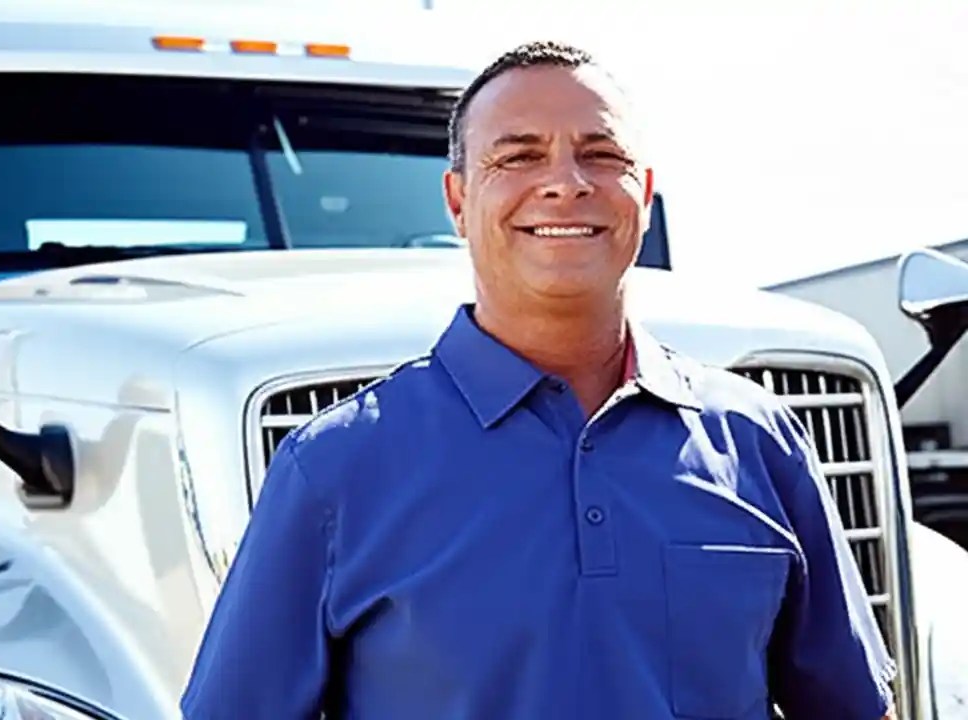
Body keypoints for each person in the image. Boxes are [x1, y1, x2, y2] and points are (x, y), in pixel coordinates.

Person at [179, 40, 898, 719]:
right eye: (518, 156)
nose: (564, 182)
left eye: (600, 153)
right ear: (458, 202)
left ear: (642, 195)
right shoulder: (332, 467)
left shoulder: (760, 442)